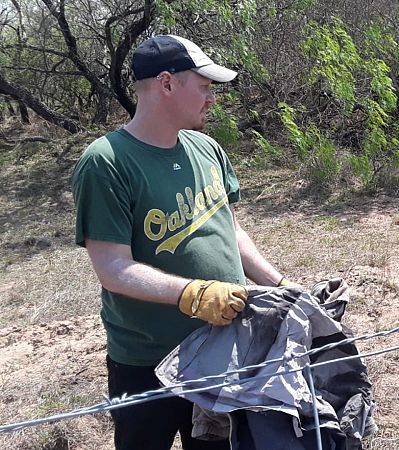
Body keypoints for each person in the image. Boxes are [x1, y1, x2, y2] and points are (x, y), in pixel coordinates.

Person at [71, 35, 294, 450]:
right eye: (205, 85)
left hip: (220, 347)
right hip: (147, 360)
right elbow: (112, 268)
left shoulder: (207, 148)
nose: (212, 98)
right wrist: (194, 294)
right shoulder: (105, 163)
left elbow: (230, 228)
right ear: (167, 84)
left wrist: (279, 285)